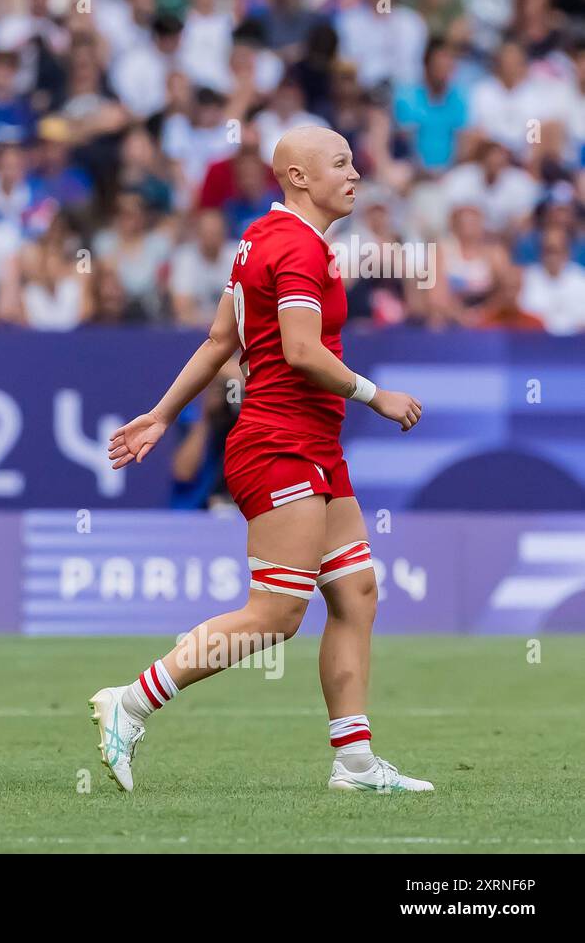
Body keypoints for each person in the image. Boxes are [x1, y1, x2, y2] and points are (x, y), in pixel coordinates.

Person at [92, 126, 435, 794]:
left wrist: (162, 413)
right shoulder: (299, 248)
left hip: (313, 444)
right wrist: (376, 395)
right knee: (276, 612)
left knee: (356, 592)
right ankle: (129, 702)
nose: (355, 173)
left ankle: (355, 762)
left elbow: (223, 337)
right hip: (280, 442)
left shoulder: (261, 237)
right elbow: (302, 351)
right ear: (298, 177)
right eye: (341, 161)